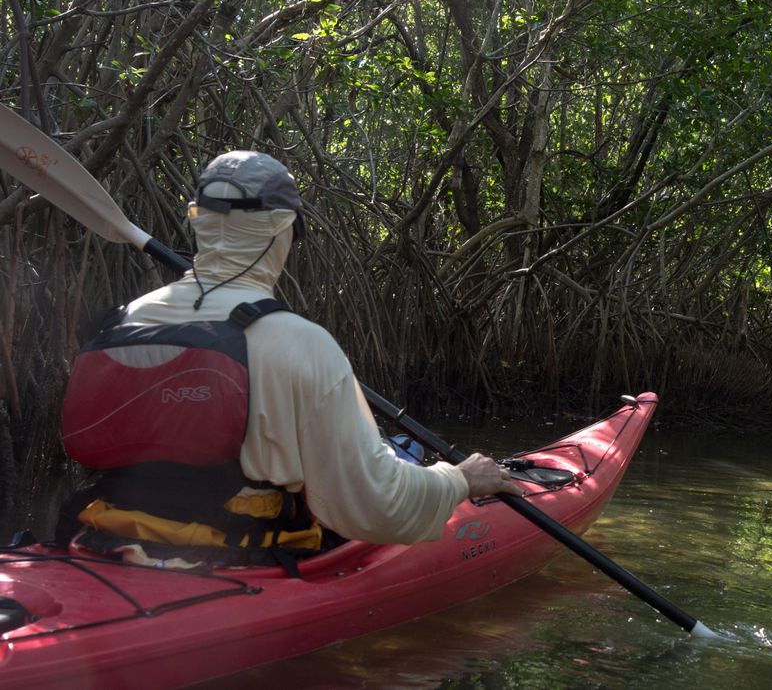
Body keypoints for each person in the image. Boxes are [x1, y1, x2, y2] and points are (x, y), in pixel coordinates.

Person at [59, 151, 520, 562]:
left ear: (196, 221)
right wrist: (458, 480)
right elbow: (377, 506)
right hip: (242, 558)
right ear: (284, 229)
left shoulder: (120, 322)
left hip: (102, 540)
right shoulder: (300, 343)